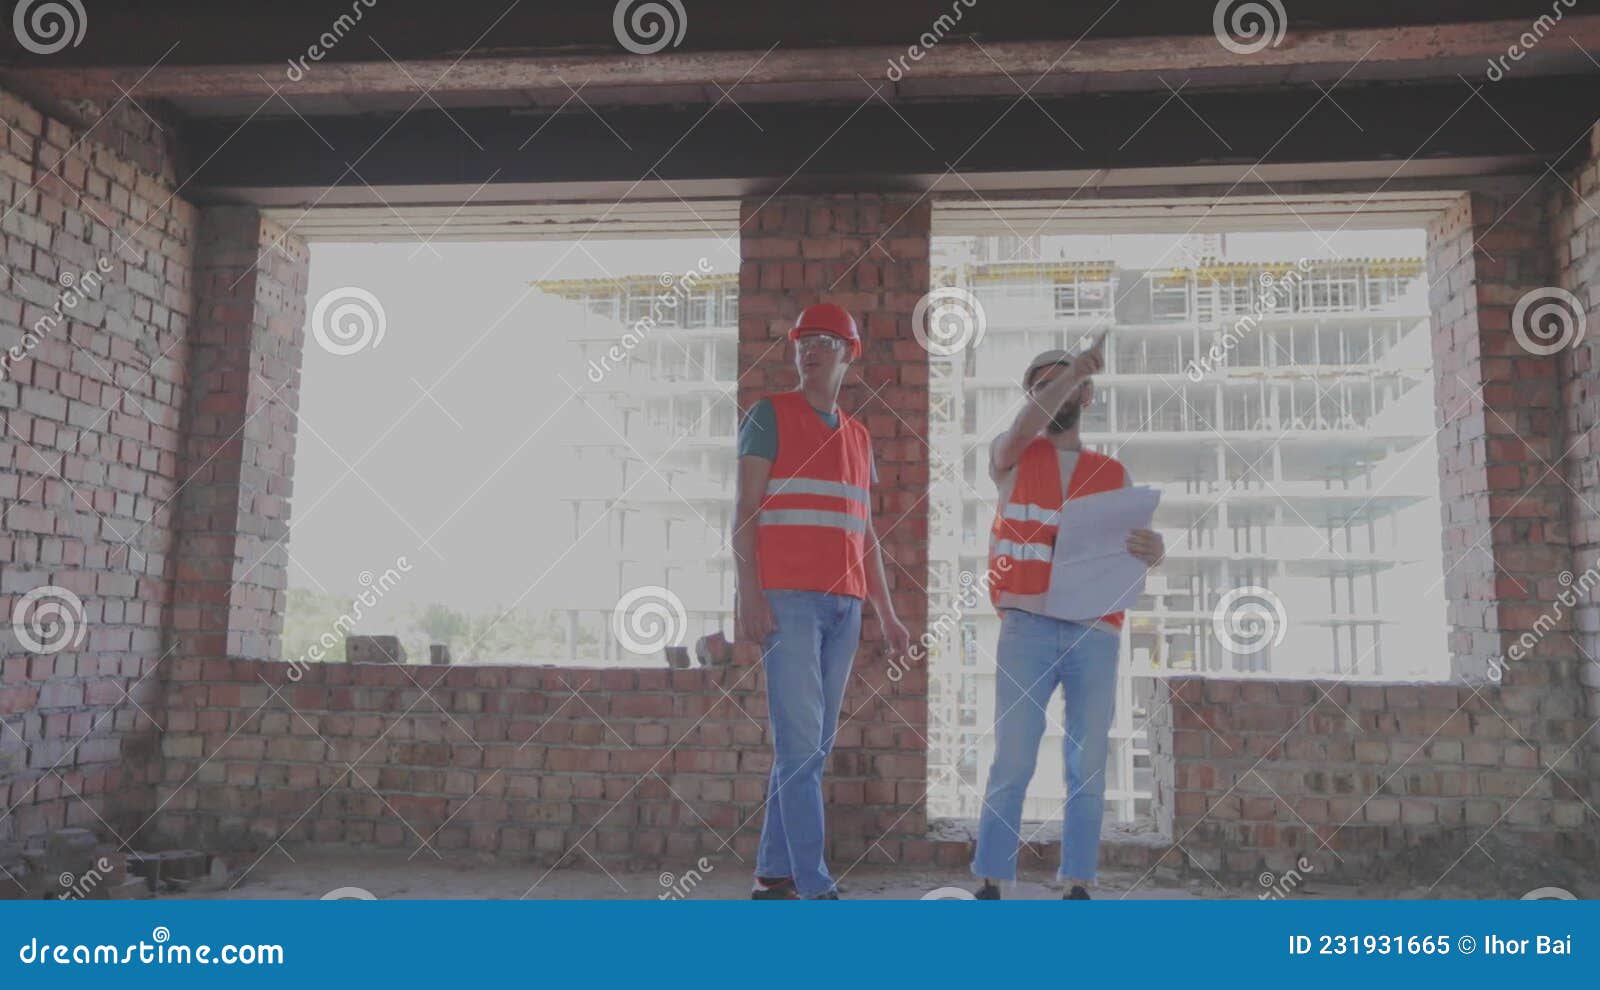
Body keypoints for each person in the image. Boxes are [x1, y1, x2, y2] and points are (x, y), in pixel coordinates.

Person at [971, 341, 1164, 900]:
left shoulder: (1112, 472)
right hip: (1027, 627)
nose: (1053, 391)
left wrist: (1155, 551)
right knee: (1013, 755)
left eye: (1067, 382)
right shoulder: (1010, 458)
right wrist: (1068, 372)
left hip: (1095, 630)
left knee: (1087, 759)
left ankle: (1078, 881)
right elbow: (1026, 423)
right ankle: (991, 877)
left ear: (1087, 395)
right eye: (1041, 384)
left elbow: (1128, 555)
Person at [732, 301, 911, 900]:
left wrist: (887, 614)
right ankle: (813, 884)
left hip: (847, 606)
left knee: (811, 747)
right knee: (801, 745)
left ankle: (773, 873)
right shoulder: (768, 415)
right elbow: (744, 515)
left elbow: (864, 532)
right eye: (803, 340)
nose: (811, 348)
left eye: (826, 341)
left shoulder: (859, 437)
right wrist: (748, 596)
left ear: (848, 355)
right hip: (788, 601)